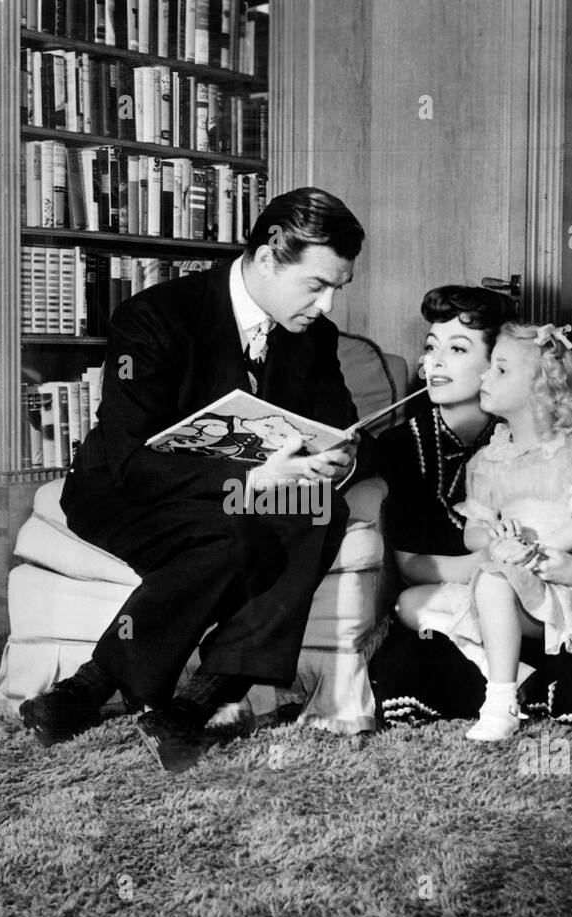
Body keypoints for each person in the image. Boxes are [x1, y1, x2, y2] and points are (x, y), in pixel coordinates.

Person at [22, 187, 370, 773]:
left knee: (321, 512)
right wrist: (256, 475)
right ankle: (90, 688)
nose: (328, 305)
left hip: (244, 492)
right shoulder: (153, 316)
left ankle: (191, 702)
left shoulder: (315, 335)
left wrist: (339, 457)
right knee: (233, 534)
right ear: (266, 258)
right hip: (127, 489)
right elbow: (133, 462)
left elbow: (336, 425)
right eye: (316, 285)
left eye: (339, 288)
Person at [372, 287, 572, 725]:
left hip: (544, 599)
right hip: (463, 597)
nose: (433, 362)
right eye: (430, 347)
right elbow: (412, 566)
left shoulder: (544, 435)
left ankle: (524, 683)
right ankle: (509, 686)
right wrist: (492, 561)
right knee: (416, 650)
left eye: (457, 349)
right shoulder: (401, 447)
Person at [441, 322, 572, 741]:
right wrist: (497, 539)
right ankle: (512, 672)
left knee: (494, 578)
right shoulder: (487, 460)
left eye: (500, 370)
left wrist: (531, 550)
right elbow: (473, 535)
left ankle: (499, 701)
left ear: (541, 387)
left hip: (557, 583)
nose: (484, 377)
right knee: (414, 604)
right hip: (508, 574)